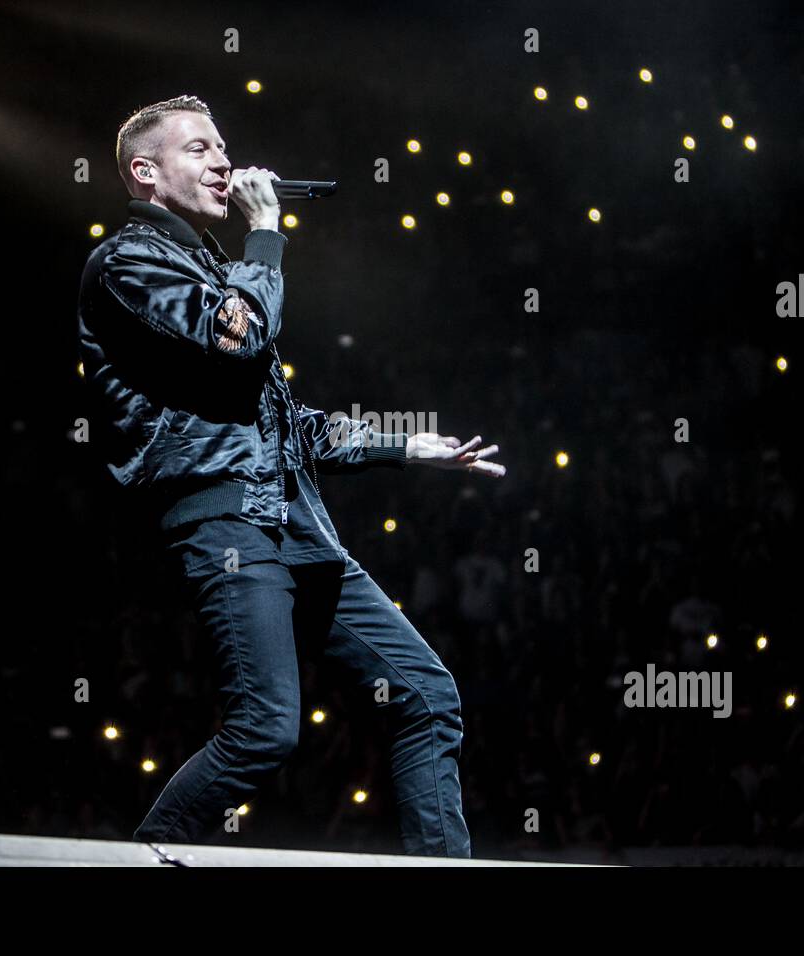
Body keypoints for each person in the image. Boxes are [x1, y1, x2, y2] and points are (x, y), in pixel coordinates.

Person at [76, 94, 505, 857]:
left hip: (295, 521)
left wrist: (406, 447)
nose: (223, 162)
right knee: (266, 727)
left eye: (222, 147)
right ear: (145, 172)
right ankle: (147, 856)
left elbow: (289, 425)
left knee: (427, 694)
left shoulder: (217, 266)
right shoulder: (126, 262)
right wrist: (266, 233)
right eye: (200, 149)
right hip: (228, 521)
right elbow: (235, 339)